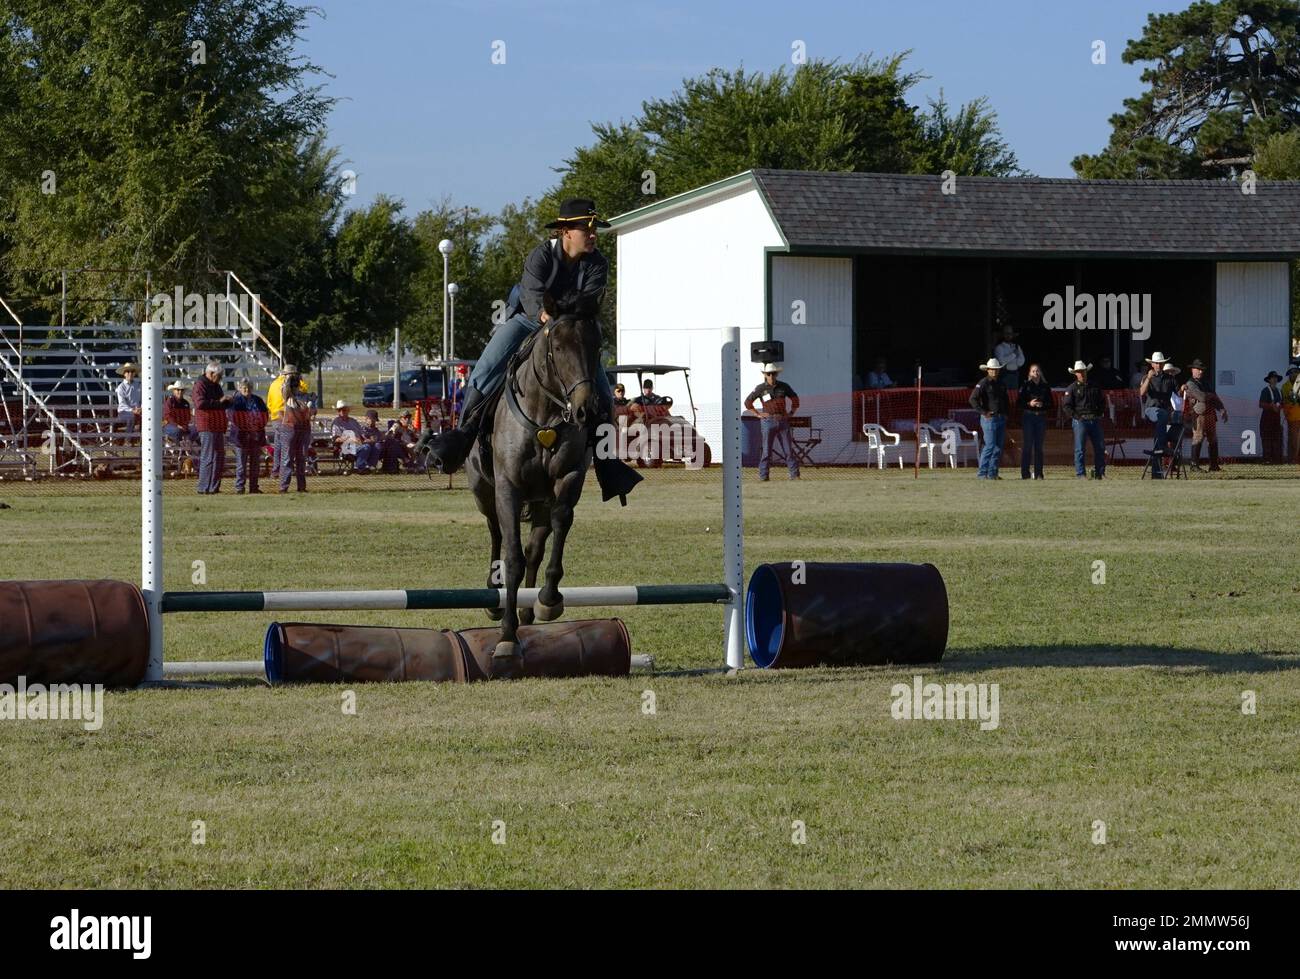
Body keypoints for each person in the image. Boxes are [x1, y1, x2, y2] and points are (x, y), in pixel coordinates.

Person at [421, 197, 640, 502]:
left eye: (594, 229)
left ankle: (608, 463)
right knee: (484, 371)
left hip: (569, 332)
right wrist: (550, 319)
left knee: (602, 394)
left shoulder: (597, 263)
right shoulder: (540, 256)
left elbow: (589, 304)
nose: (593, 234)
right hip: (528, 321)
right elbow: (534, 298)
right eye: (586, 228)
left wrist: (567, 325)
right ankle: (462, 438)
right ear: (565, 231)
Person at [744, 362, 801, 481]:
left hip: (782, 420)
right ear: (765, 375)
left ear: (777, 374)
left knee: (788, 450)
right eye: (769, 374)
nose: (771, 376)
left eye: (773, 374)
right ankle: (764, 476)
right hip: (767, 421)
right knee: (766, 451)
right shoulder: (760, 388)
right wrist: (758, 414)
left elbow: (795, 399)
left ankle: (794, 475)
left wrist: (791, 413)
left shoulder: (784, 386)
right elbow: (748, 402)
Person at [191, 360, 232, 494]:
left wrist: (227, 402)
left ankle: (214, 487)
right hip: (207, 425)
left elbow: (219, 404)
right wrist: (219, 401)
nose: (220, 379)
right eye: (218, 376)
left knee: (219, 457)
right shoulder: (200, 385)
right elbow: (200, 404)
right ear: (211, 373)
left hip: (218, 425)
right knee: (208, 457)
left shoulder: (216, 386)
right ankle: (203, 488)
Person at [1062, 360, 1106, 479]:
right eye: (1079, 372)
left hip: (1094, 419)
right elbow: (1066, 406)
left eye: (1083, 371)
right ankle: (1081, 474)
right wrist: (1076, 416)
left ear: (1086, 372)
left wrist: (1099, 412)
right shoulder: (1071, 388)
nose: (1081, 374)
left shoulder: (1095, 386)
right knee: (1080, 449)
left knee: (1100, 447)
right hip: (1080, 421)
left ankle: (1100, 473)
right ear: (1075, 374)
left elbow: (1103, 401)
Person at [1139, 351, 1177, 479]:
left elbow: (1178, 393)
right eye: (1156, 363)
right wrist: (1148, 378)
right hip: (1151, 410)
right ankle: (1163, 446)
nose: (1159, 365)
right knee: (1162, 414)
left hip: (1164, 413)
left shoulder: (1170, 378)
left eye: (1161, 363)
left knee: (1160, 433)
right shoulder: (1146, 377)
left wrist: (1183, 388)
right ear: (1152, 364)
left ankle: (1156, 473)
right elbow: (1141, 393)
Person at [1184, 358, 1227, 472]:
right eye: (1198, 369)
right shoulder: (1190, 384)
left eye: (1202, 369)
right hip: (1198, 415)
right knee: (1198, 438)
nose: (1200, 371)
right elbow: (1202, 397)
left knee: (1213, 438)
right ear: (1193, 370)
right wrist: (1211, 396)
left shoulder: (1205, 383)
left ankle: (1214, 465)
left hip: (1210, 414)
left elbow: (1214, 397)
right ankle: (1194, 465)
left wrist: (1222, 408)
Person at [969, 358, 1008, 479]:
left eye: (996, 369)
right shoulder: (983, 382)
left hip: (1001, 418)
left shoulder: (1001, 383)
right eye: (992, 369)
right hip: (989, 419)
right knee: (990, 446)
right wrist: (984, 412)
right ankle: (982, 473)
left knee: (998, 447)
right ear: (988, 370)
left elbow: (1005, 400)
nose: (994, 371)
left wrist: (1006, 413)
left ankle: (993, 473)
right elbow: (973, 399)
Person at [227, 379, 269, 494]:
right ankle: (240, 487)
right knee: (241, 464)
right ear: (240, 389)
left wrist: (258, 425)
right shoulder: (235, 401)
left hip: (255, 436)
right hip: (241, 437)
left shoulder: (258, 400)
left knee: (255, 464)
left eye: (249, 388)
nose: (246, 390)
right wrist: (246, 426)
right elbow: (232, 417)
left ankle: (254, 487)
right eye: (244, 388)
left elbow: (265, 414)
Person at [276, 368, 312, 493]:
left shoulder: (305, 396)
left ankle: (301, 487)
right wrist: (289, 377)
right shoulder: (288, 396)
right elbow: (285, 389)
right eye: (293, 384)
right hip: (289, 429)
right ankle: (283, 487)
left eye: (296, 384)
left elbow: (312, 410)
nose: (295, 386)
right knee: (287, 458)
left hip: (303, 429)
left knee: (301, 458)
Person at [1017, 363, 1052, 479]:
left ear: (1040, 373)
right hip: (1028, 417)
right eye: (1033, 371)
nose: (1035, 373)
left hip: (1041, 417)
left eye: (1037, 371)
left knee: (1039, 447)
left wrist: (1043, 404)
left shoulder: (1045, 386)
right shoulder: (1025, 385)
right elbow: (1019, 403)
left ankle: (1039, 473)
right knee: (1027, 446)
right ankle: (1025, 474)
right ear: (1029, 373)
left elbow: (1051, 403)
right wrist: (1029, 403)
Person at [330, 400, 372, 473]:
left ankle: (370, 466)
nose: (343, 411)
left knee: (374, 446)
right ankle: (360, 467)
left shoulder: (353, 421)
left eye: (345, 409)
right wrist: (350, 439)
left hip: (358, 444)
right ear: (338, 411)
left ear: (348, 410)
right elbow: (336, 439)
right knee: (366, 447)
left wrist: (367, 439)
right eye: (341, 410)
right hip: (345, 447)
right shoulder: (336, 423)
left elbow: (362, 433)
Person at [1260, 371, 1286, 463]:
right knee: (1267, 441)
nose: (1274, 379)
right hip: (1266, 421)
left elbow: (1282, 404)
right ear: (1269, 380)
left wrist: (1280, 407)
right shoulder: (1265, 390)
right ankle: (1267, 460)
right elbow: (1261, 404)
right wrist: (1271, 406)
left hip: (1276, 421)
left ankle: (1276, 460)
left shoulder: (1280, 391)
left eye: (1276, 378)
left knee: (1276, 441)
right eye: (1272, 378)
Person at [115, 363, 142, 438]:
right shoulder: (121, 387)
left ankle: (142, 441)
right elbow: (122, 403)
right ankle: (128, 439)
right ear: (124, 374)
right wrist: (132, 410)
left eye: (132, 371)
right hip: (124, 412)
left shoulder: (139, 385)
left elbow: (143, 399)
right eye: (128, 371)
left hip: (138, 411)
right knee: (131, 417)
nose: (130, 373)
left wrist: (141, 408)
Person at [1283, 365, 1300, 465]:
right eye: (1292, 372)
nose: (1295, 374)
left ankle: (1295, 459)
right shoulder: (1285, 387)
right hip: (1292, 417)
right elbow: (1287, 402)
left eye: (1296, 372)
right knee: (1294, 439)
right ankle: (1293, 459)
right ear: (1289, 374)